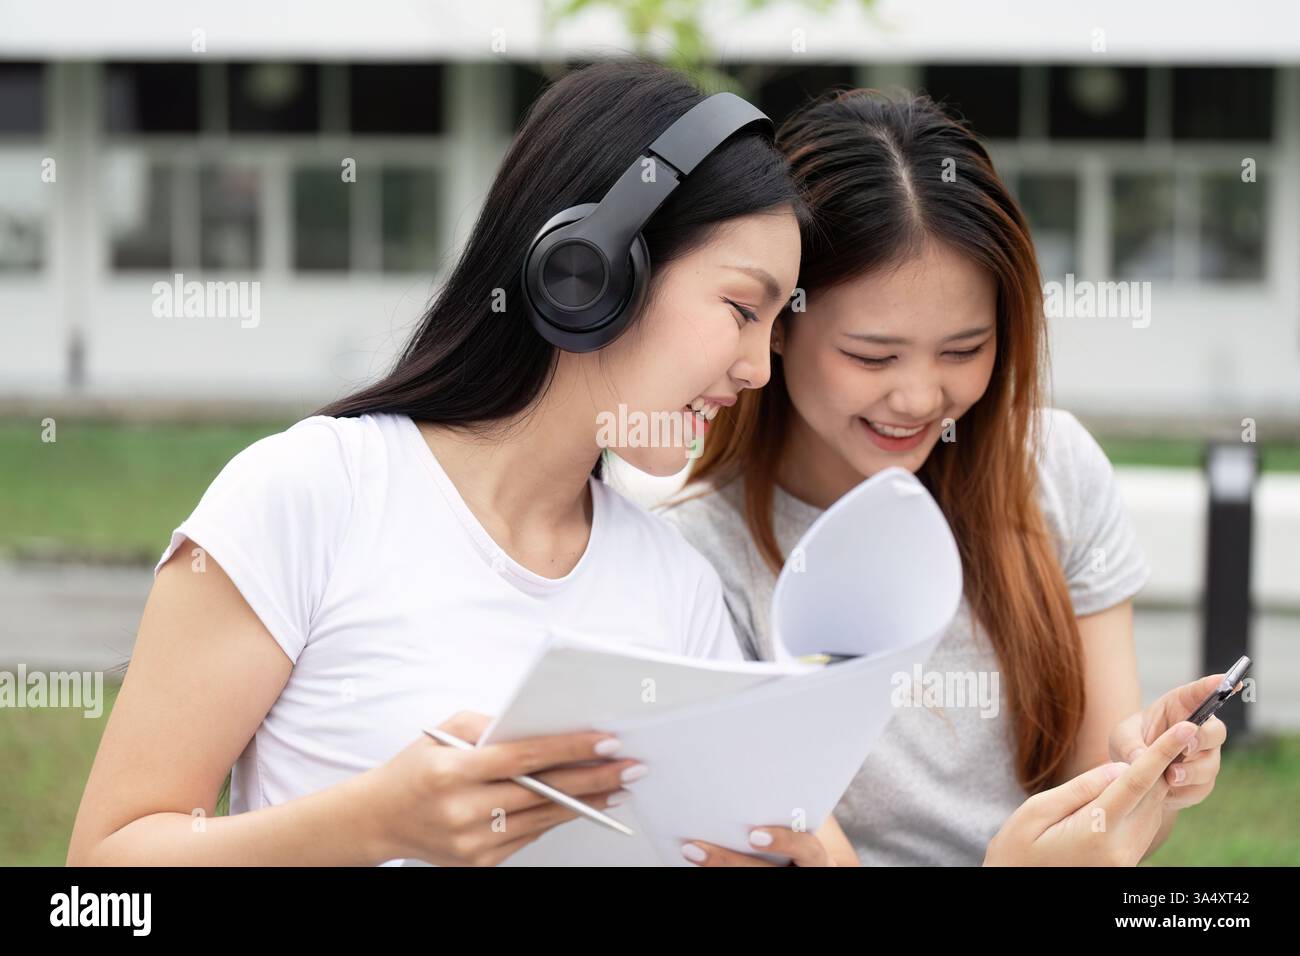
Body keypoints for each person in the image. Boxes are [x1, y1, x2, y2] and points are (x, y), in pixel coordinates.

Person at [66, 60, 858, 867]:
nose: (759, 369)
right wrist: (374, 824)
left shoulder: (675, 587)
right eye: (740, 309)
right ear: (592, 269)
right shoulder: (310, 496)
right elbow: (99, 884)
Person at [661, 88, 1226, 866]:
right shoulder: (695, 555)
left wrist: (1145, 781)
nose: (920, 398)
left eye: (964, 351)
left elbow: (1100, 816)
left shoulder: (1054, 472)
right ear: (776, 325)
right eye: (872, 355)